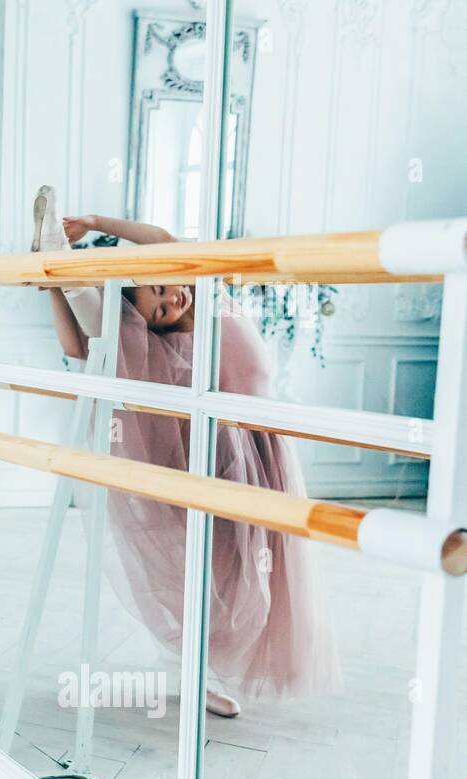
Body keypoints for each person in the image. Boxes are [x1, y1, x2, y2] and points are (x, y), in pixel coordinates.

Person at [32, 186, 341, 716]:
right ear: (150, 323)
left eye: (161, 288)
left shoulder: (205, 291)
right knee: (214, 570)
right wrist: (53, 289)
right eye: (157, 308)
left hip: (263, 451)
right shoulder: (165, 343)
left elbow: (164, 241)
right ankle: (57, 268)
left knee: (262, 572)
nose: (170, 300)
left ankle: (59, 259)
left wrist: (96, 219)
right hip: (220, 456)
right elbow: (78, 349)